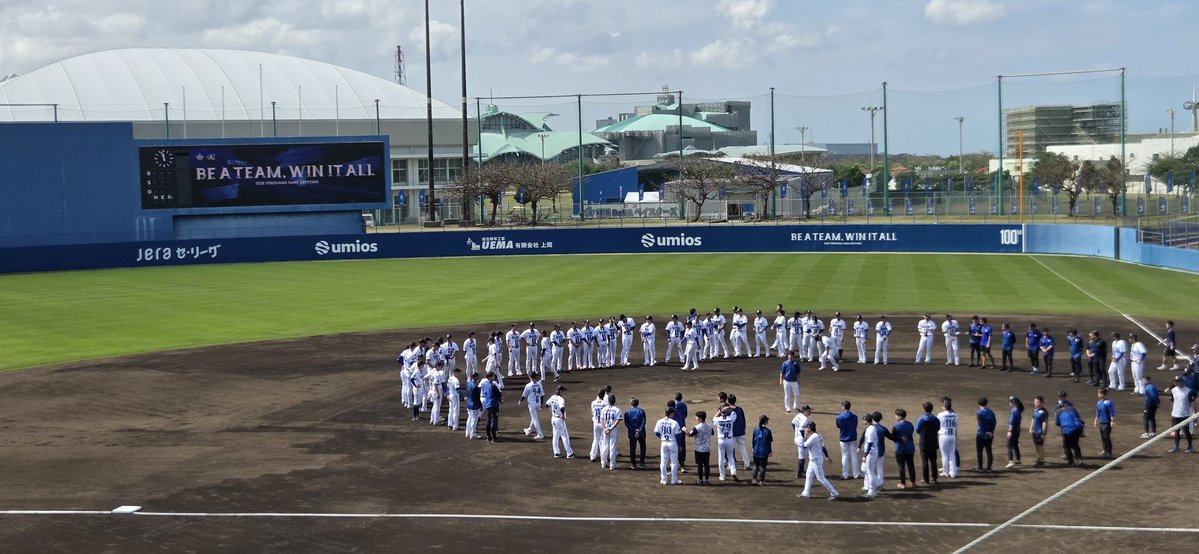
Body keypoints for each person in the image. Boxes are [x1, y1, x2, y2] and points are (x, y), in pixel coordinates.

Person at [798, 421, 839, 501]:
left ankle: (834, 493)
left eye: (806, 428)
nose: (805, 429)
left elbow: (804, 446)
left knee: (820, 477)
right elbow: (823, 447)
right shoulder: (818, 435)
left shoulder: (813, 437)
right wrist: (827, 456)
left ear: (809, 429)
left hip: (816, 460)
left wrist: (805, 436)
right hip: (814, 459)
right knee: (809, 475)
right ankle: (806, 493)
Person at [1166, 375, 1194, 453]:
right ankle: (1176, 446)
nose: (1176, 383)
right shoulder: (1173, 390)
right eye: (1175, 382)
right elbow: (1172, 400)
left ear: (1182, 382)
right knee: (1176, 431)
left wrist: (1193, 414)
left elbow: (1191, 403)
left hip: (1185, 415)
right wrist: (1173, 411)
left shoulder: (1188, 391)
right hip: (1175, 414)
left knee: (1186, 431)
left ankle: (1190, 446)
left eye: (1177, 382)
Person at [1055, 393, 1084, 465]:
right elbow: (1078, 417)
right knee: (1075, 444)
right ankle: (1078, 459)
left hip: (1067, 429)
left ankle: (1070, 461)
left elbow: (1057, 423)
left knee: (1066, 446)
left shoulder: (1058, 411)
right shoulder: (1071, 407)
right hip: (1077, 428)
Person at [546, 385, 575, 458]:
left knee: (555, 436)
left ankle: (556, 453)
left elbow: (547, 404)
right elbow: (562, 408)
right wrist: (563, 415)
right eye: (563, 391)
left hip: (553, 418)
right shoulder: (561, 399)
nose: (564, 392)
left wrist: (552, 412)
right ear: (561, 391)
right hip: (559, 419)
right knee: (565, 436)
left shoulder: (552, 397)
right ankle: (570, 453)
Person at [915, 401, 940, 484]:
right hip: (933, 441)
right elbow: (938, 428)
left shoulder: (921, 419)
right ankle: (934, 477)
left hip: (924, 442)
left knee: (924, 461)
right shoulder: (936, 419)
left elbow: (918, 430)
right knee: (933, 461)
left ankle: (926, 479)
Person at [891, 408, 916, 489]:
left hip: (900, 449)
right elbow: (911, 432)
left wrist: (899, 439)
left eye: (896, 415)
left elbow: (893, 437)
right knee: (911, 465)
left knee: (901, 466)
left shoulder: (896, 426)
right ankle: (913, 483)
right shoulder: (910, 424)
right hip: (910, 448)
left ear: (899, 416)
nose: (895, 416)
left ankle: (903, 483)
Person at [713, 405, 739, 482]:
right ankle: (733, 472)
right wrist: (729, 408)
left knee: (721, 458)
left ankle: (722, 476)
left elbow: (714, 418)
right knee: (730, 456)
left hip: (721, 440)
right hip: (729, 439)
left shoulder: (717, 420)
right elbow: (733, 412)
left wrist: (720, 410)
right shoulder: (731, 417)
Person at [861, 413, 884, 498]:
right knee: (866, 470)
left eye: (863, 420)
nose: (863, 421)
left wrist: (865, 455)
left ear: (867, 421)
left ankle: (871, 491)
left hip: (871, 453)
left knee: (869, 472)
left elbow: (870, 443)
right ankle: (878, 483)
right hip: (872, 452)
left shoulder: (870, 430)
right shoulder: (871, 428)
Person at [836, 400, 861, 480]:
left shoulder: (839, 417)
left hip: (843, 439)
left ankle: (845, 475)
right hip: (853, 438)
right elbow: (855, 425)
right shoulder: (855, 416)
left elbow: (838, 426)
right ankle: (856, 474)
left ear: (843, 407)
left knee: (845, 456)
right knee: (854, 456)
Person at [518, 372, 546, 440]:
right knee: (534, 417)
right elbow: (542, 395)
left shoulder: (528, 385)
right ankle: (529, 430)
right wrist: (541, 404)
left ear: (530, 377)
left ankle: (540, 434)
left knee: (535, 419)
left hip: (532, 404)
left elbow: (524, 395)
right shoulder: (539, 384)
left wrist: (520, 401)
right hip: (538, 402)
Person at [690, 411, 714, 485]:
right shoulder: (710, 426)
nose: (696, 418)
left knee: (700, 465)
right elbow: (712, 433)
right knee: (706, 465)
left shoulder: (697, 427)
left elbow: (690, 434)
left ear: (700, 418)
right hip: (707, 448)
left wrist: (685, 430)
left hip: (699, 449)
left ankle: (700, 480)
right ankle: (706, 480)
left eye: (697, 417)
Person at [599, 394, 623, 469]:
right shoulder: (617, 409)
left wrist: (604, 429)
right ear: (614, 401)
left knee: (604, 446)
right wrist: (611, 428)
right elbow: (618, 420)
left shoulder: (603, 409)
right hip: (613, 430)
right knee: (612, 447)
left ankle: (603, 463)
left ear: (608, 401)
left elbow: (601, 419)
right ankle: (612, 465)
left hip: (605, 429)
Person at [937, 397, 959, 478]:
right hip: (952, 436)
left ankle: (946, 472)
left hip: (944, 436)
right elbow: (956, 426)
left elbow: (937, 424)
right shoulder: (954, 415)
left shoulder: (940, 414)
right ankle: (953, 473)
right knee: (952, 454)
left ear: (944, 406)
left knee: (944, 455)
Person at [973, 397, 996, 472]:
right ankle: (989, 467)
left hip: (981, 435)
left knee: (979, 451)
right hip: (990, 435)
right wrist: (991, 432)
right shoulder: (991, 412)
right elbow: (994, 423)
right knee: (989, 451)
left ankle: (980, 467)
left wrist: (985, 432)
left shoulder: (979, 413)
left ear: (978, 404)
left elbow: (981, 424)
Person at [729, 395, 751, 471]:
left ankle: (731, 465)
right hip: (741, 432)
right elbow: (744, 419)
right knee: (743, 448)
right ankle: (747, 464)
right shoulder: (740, 409)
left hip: (732, 433)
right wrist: (743, 429)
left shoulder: (728, 411)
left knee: (730, 449)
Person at [791, 405, 813, 478]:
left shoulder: (798, 415)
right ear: (804, 411)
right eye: (809, 411)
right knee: (802, 456)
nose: (810, 412)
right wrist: (805, 438)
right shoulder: (805, 419)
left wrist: (795, 432)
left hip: (797, 438)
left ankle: (802, 469)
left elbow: (793, 423)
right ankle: (799, 473)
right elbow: (801, 429)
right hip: (801, 440)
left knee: (804, 454)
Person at [625, 397, 647, 469]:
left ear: (631, 403)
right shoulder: (642, 411)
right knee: (643, 447)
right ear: (638, 403)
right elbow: (643, 422)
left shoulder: (627, 412)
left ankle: (633, 464)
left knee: (632, 448)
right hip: (641, 433)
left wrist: (634, 430)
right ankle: (642, 463)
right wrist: (639, 430)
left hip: (632, 433)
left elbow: (627, 424)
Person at [751, 415, 773, 485]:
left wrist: (753, 448)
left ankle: (754, 479)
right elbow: (769, 443)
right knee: (763, 466)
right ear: (766, 421)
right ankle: (761, 481)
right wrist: (770, 451)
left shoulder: (756, 429)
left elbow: (753, 440)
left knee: (755, 465)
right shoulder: (768, 431)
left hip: (756, 450)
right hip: (764, 451)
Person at [1094, 388, 1116, 458]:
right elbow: (1098, 413)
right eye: (1099, 393)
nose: (1100, 395)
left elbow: (1112, 412)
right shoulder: (1098, 403)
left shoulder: (1108, 402)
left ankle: (1109, 452)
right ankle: (1104, 450)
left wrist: (1112, 421)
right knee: (1102, 437)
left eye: (1101, 393)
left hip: (1107, 422)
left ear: (1105, 394)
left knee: (1106, 437)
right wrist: (1096, 420)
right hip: (1101, 422)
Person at [481, 371, 502, 442]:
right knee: (494, 420)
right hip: (494, 404)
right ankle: (494, 437)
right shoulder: (493, 385)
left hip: (488, 404)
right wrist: (500, 400)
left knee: (489, 420)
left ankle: (488, 436)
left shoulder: (486, 385)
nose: (494, 377)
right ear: (489, 377)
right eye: (493, 376)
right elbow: (499, 394)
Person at [1004, 396, 1024, 469]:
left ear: (1013, 402)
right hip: (1017, 430)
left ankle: (1010, 461)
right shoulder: (1018, 409)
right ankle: (1018, 459)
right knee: (1015, 444)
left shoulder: (1014, 410)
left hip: (1013, 430)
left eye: (1010, 401)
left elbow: (1012, 422)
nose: (1008, 403)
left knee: (1009, 445)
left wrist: (1009, 431)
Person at [672, 392, 689, 472]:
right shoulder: (684, 405)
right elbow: (685, 415)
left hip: (673, 427)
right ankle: (682, 462)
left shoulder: (672, 405)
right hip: (682, 426)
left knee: (673, 444)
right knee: (682, 445)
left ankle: (674, 462)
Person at [1029, 395, 1048, 466]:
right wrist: (1031, 428)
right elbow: (1033, 419)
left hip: (1040, 432)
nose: (1036, 403)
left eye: (1037, 402)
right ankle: (1039, 457)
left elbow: (1044, 423)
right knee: (1036, 445)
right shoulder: (1035, 410)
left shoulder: (1044, 412)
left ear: (1041, 402)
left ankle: (1042, 461)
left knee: (1040, 446)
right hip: (1035, 431)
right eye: (1035, 402)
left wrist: (1043, 433)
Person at [589, 389, 607, 462]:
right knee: (603, 440)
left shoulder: (593, 403)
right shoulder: (605, 403)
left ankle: (592, 456)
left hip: (595, 423)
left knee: (596, 439)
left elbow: (592, 412)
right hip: (603, 424)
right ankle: (602, 456)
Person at [465, 371, 483, 439]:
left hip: (469, 403)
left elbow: (467, 392)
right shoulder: (476, 387)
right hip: (474, 405)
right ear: (475, 377)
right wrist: (480, 405)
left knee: (469, 418)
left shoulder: (469, 383)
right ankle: (472, 434)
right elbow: (477, 397)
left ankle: (467, 432)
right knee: (474, 420)